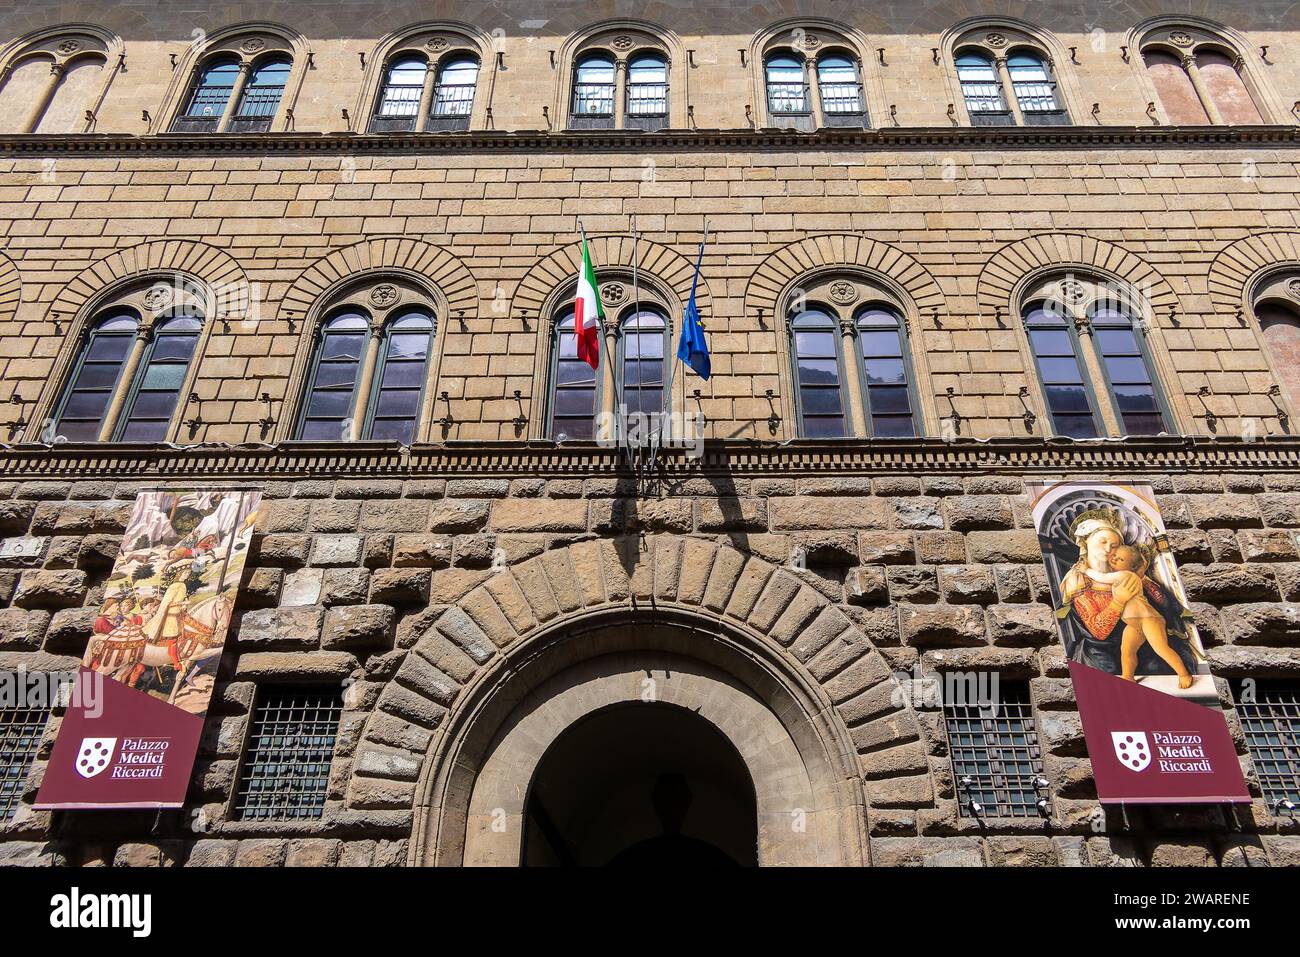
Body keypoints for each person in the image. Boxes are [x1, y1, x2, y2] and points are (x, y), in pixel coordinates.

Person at [1081, 544, 1194, 688]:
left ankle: (1184, 674)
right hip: (1135, 624)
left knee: (1161, 649)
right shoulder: (1120, 577)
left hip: (1150, 620)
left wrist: (1086, 570)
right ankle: (1128, 677)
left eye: (1120, 559)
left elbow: (1102, 577)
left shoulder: (1125, 575)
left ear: (1131, 566)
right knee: (1127, 650)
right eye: (1114, 556)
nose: (1114, 559)